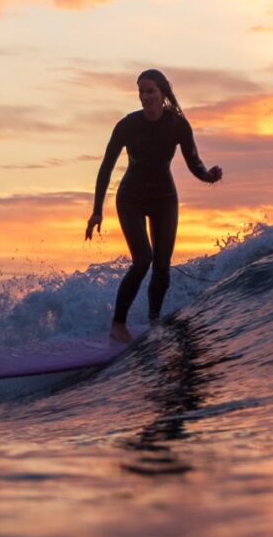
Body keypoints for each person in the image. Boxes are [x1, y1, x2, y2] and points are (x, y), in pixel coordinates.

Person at [87, 69, 223, 339]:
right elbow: (106, 168)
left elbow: (193, 161)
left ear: (162, 94)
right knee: (142, 260)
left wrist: (208, 176)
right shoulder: (127, 125)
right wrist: (97, 210)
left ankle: (154, 322)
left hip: (164, 199)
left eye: (150, 91)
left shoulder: (178, 125)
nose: (145, 97)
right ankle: (118, 325)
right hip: (131, 198)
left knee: (161, 264)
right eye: (141, 92)